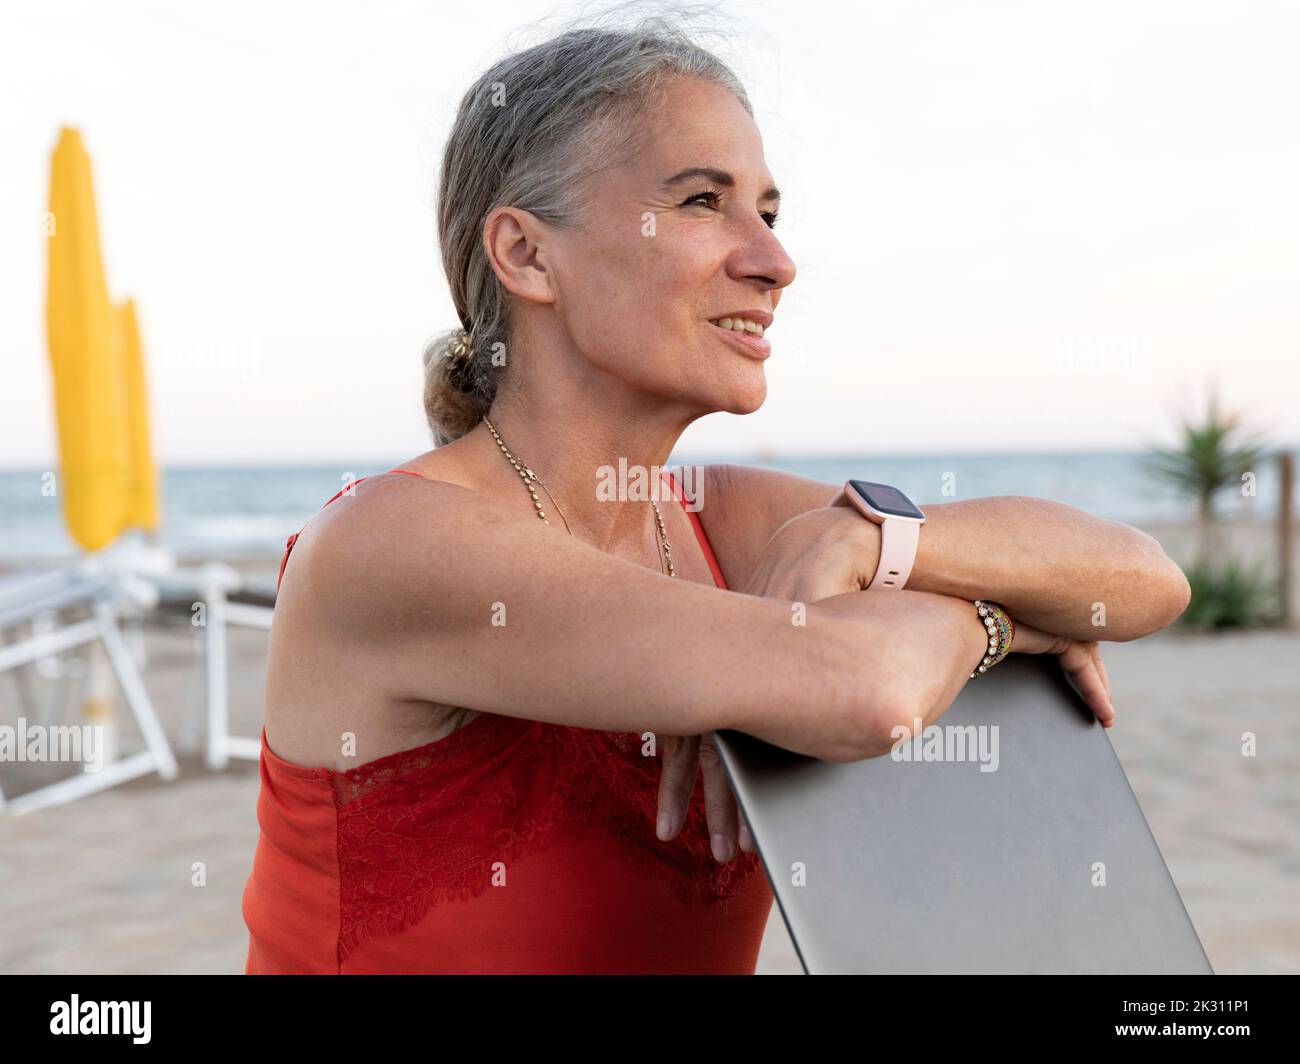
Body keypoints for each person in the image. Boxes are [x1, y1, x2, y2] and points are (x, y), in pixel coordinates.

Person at [241, 11, 1191, 975]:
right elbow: (866, 691)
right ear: (528, 256)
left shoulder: (711, 518)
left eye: (768, 214)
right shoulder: (389, 545)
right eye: (702, 201)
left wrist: (874, 544)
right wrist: (999, 624)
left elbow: (1143, 579)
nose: (775, 263)